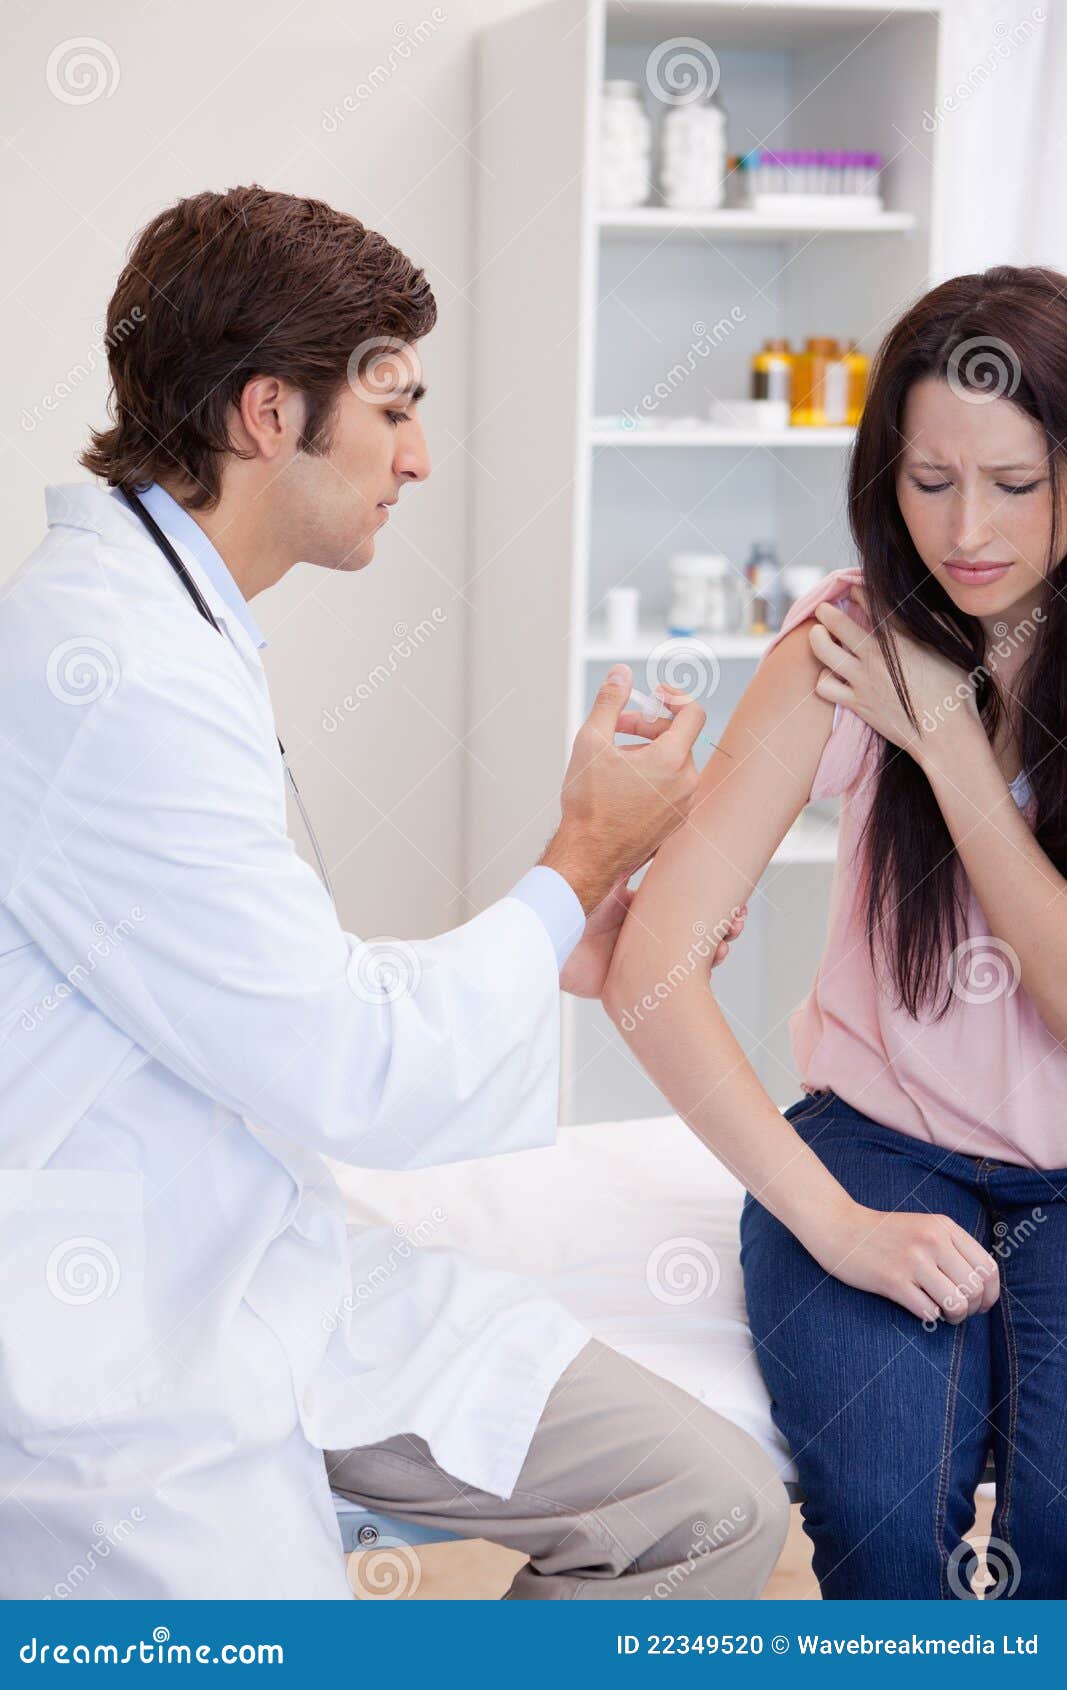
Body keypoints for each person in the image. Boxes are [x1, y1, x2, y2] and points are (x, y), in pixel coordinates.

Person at [0, 185, 787, 1600]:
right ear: (266, 415)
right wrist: (581, 855)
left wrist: (563, 932)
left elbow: (260, 984)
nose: (421, 457)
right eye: (394, 406)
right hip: (132, 1327)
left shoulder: (166, 620)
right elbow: (343, 1061)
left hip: (268, 1256)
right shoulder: (114, 669)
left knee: (708, 1504)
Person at [603, 264, 1067, 1600]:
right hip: (880, 1150)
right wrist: (841, 1225)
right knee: (878, 1520)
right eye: (930, 482)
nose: (966, 529)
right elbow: (650, 967)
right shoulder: (843, 642)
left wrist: (959, 760)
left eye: (1015, 484)